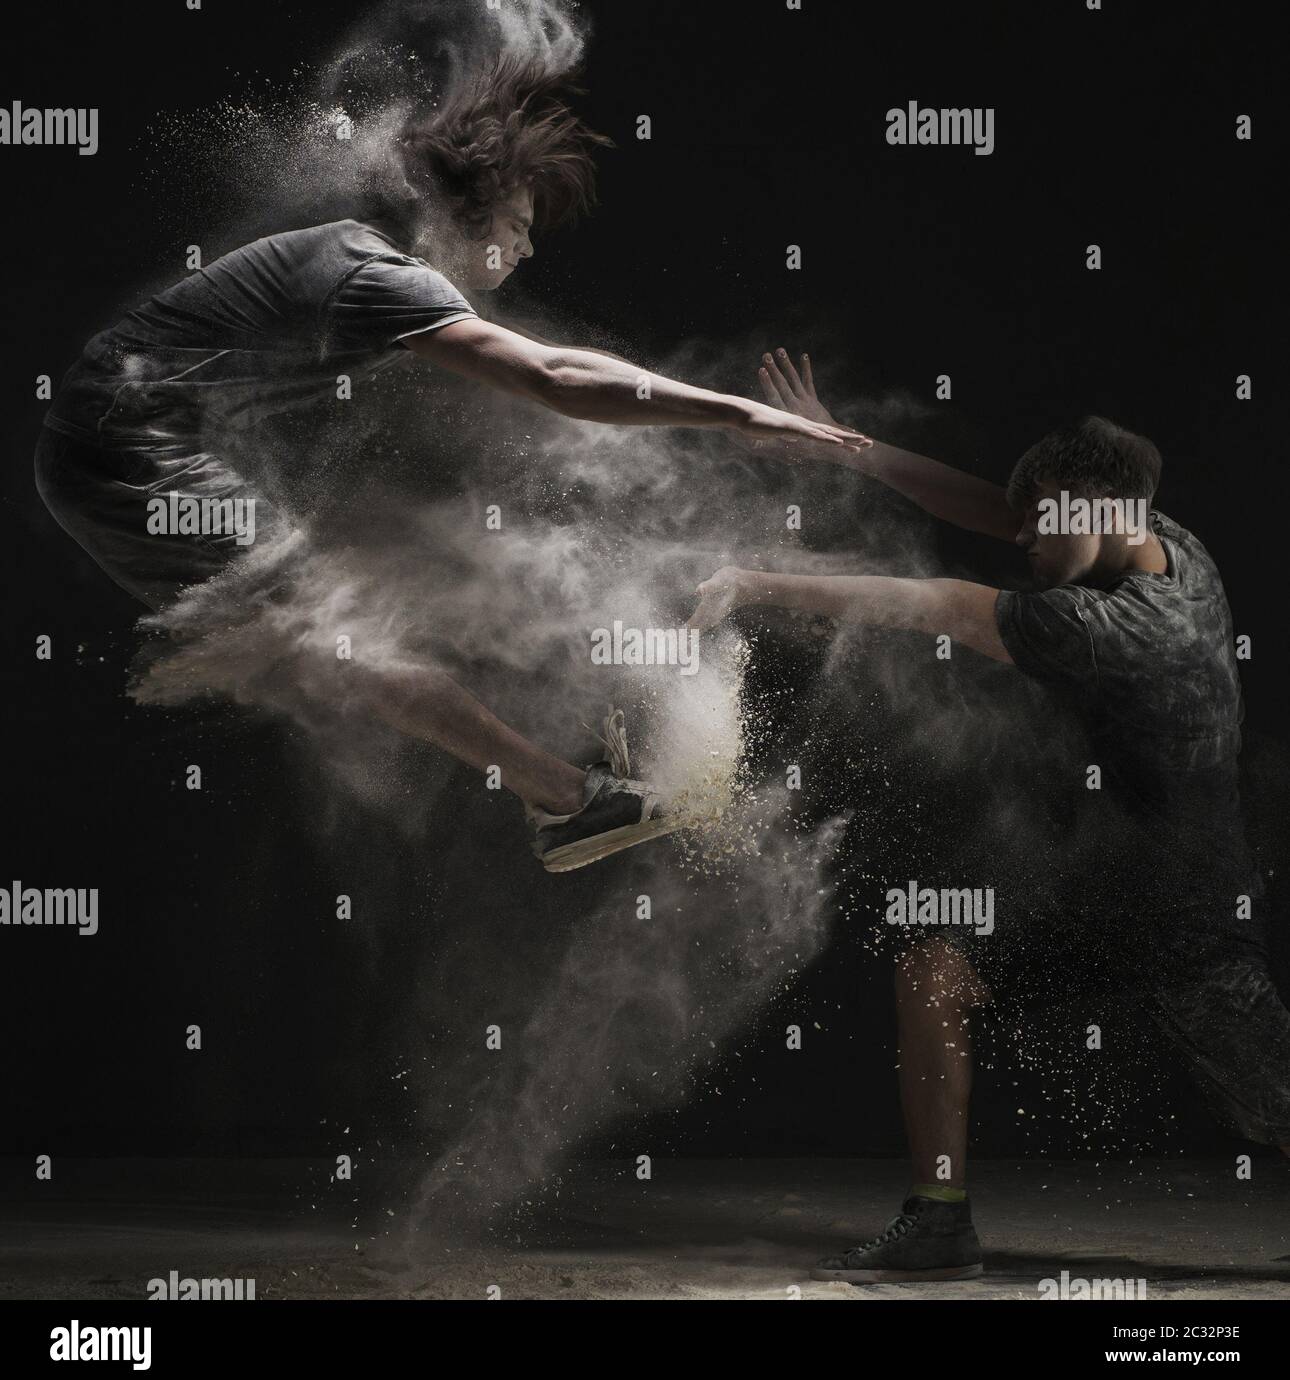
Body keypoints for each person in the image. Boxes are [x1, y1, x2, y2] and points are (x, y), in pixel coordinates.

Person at [33, 60, 869, 874]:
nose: (527, 252)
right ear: (471, 216)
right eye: (519, 229)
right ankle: (571, 797)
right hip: (125, 440)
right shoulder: (376, 274)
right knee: (340, 624)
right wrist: (736, 411)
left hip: (107, 440)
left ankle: (271, 650)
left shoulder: (357, 263)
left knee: (372, 596)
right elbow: (557, 377)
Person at [691, 348, 1290, 1281]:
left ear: (1095, 511)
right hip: (1108, 886)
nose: (1025, 544)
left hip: (1187, 916)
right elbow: (982, 503)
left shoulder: (1113, 629)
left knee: (1275, 1103)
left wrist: (756, 585)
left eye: (1042, 527)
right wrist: (847, 448)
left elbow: (927, 603)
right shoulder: (1161, 537)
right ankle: (939, 1224)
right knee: (934, 961)